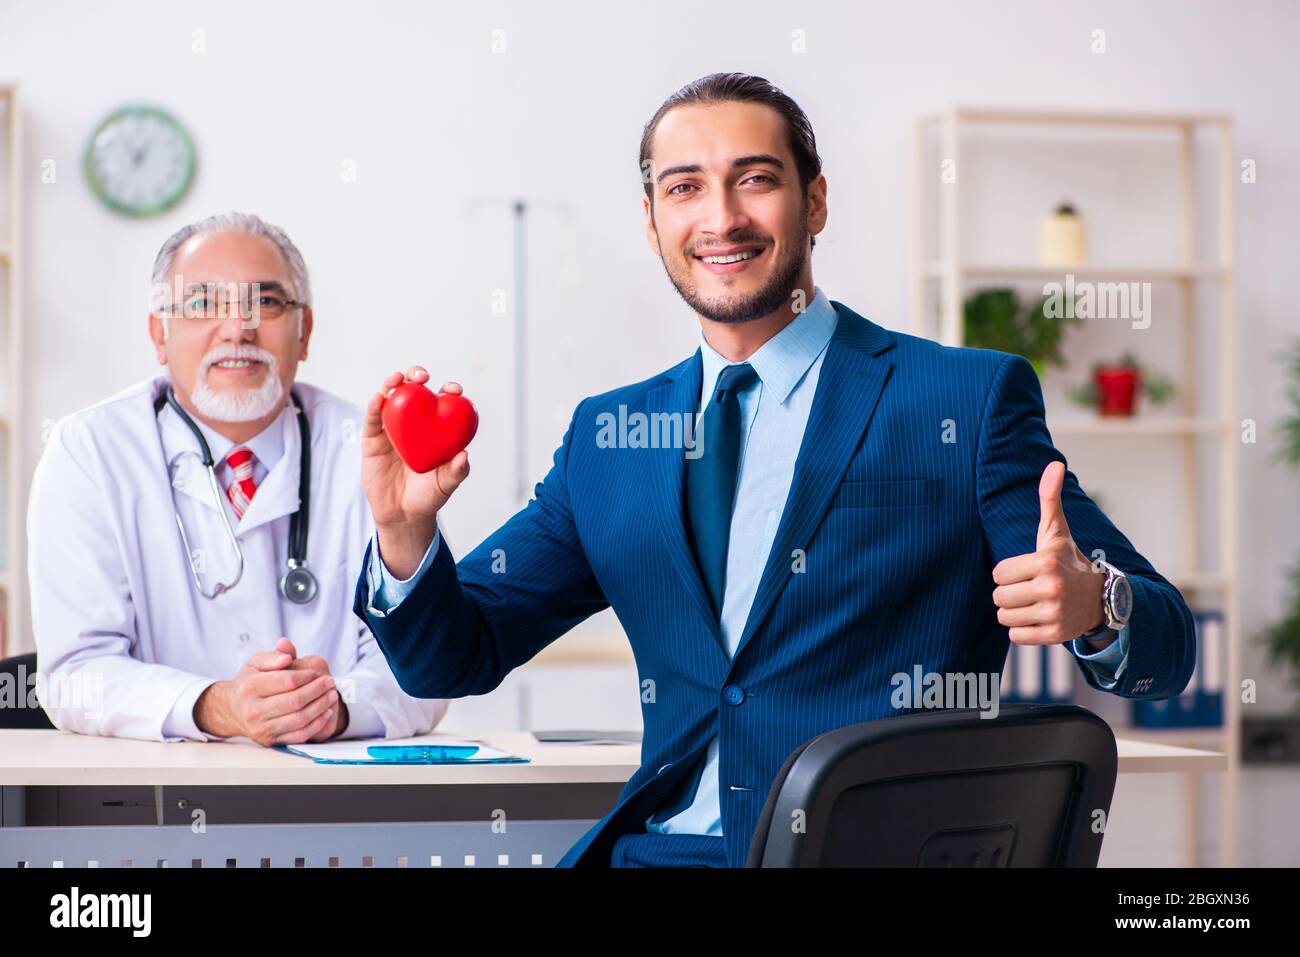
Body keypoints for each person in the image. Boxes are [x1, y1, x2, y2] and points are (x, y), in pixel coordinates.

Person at [354, 75, 1194, 867]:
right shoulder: (610, 436)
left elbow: (1167, 648)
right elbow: (452, 659)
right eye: (684, 187)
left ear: (815, 201)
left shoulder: (963, 401)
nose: (721, 217)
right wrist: (404, 532)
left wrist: (1098, 603)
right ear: (652, 223)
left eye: (754, 179)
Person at [29, 212, 448, 745]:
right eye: (203, 303)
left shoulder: (367, 448)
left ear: (305, 332)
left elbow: (429, 665)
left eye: (267, 303)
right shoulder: (90, 450)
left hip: (341, 797)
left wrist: (332, 708)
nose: (238, 328)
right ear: (160, 334)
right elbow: (76, 675)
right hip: (150, 801)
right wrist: (217, 706)